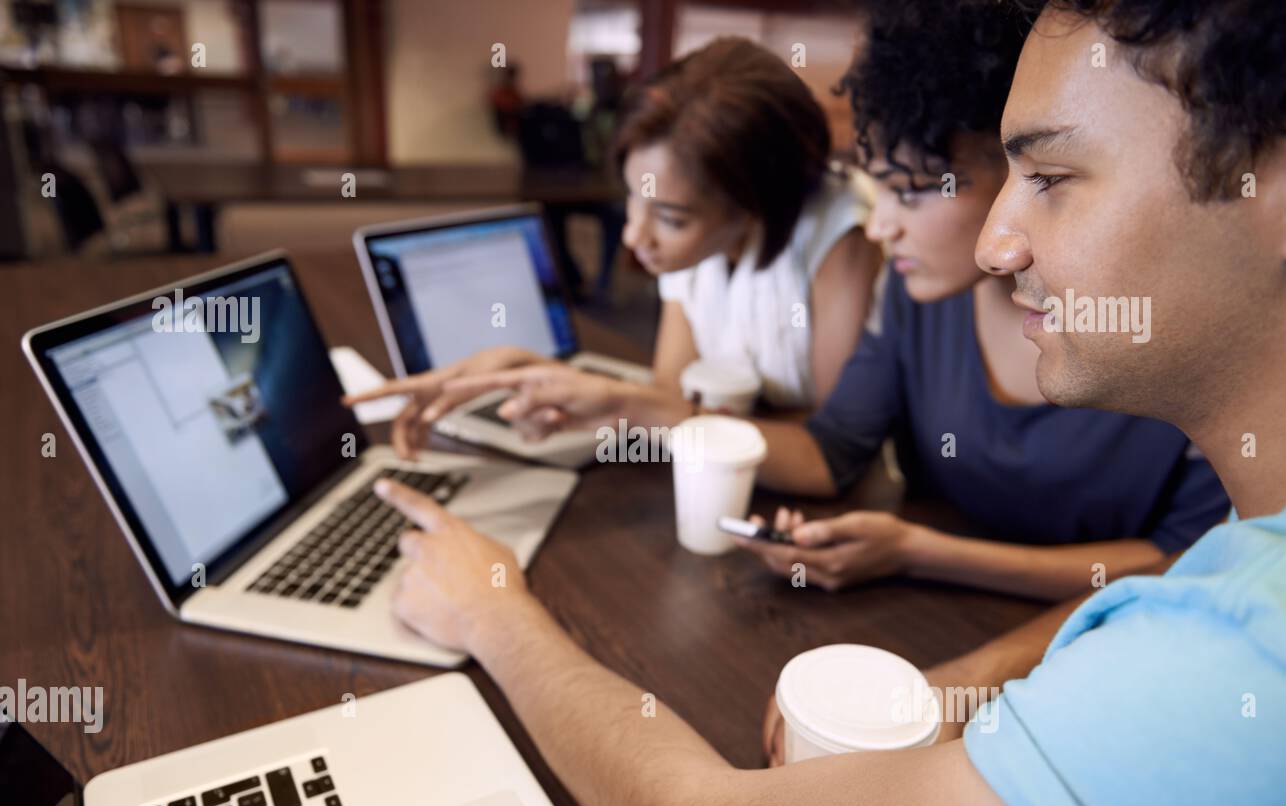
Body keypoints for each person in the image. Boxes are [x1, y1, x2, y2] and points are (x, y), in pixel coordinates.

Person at [368, 0, 1286, 806]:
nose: (993, 245)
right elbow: (1169, 585)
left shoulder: (1241, 669)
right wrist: (971, 680)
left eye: (1051, 180)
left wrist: (492, 613)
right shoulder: (1236, 583)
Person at [399, 3, 1228, 602]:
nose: (882, 228)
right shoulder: (921, 298)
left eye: (912, 192)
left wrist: (921, 552)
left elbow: (1195, 560)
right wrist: (617, 402)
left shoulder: (1156, 332)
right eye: (883, 190)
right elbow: (833, 450)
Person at [347, 37, 881, 444]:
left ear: (755, 202)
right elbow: (673, 398)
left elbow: (832, 445)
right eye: (633, 198)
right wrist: (534, 372)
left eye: (670, 219)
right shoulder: (692, 249)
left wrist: (631, 406)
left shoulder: (841, 234)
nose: (634, 236)